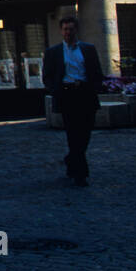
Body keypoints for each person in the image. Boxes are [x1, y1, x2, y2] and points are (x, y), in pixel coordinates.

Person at [42, 16, 104, 186]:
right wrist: (56, 90)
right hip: (67, 94)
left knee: (85, 133)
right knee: (72, 133)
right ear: (61, 31)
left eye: (71, 29)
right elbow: (47, 76)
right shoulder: (53, 52)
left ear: (76, 30)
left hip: (85, 93)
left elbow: (97, 72)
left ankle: (71, 159)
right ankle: (80, 174)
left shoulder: (88, 49)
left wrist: (95, 87)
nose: (68, 32)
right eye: (65, 29)